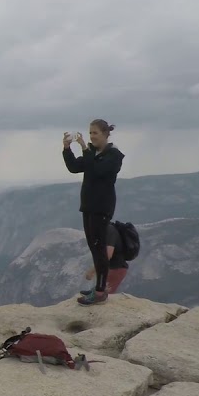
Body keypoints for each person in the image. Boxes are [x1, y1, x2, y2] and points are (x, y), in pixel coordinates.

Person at [63, 119, 124, 305]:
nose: (91, 136)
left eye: (95, 133)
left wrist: (85, 149)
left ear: (105, 134)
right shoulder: (93, 153)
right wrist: (67, 149)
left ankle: (99, 292)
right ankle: (98, 287)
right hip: (89, 206)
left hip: (101, 207)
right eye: (90, 133)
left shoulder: (114, 156)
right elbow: (74, 167)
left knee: (99, 249)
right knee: (94, 247)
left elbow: (98, 171)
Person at [79, 220, 130, 301]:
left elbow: (108, 255)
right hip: (113, 268)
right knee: (102, 287)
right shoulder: (107, 229)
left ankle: (97, 297)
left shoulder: (110, 230)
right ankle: (95, 292)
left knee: (103, 293)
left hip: (116, 269)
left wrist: (92, 270)